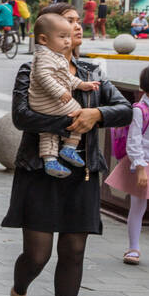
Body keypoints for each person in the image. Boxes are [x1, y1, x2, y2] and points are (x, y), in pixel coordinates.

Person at [3, 3, 132, 296]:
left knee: (74, 251)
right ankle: (19, 290)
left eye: (78, 22)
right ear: (52, 33)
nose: (77, 27)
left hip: (83, 171)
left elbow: (124, 109)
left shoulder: (92, 71)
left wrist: (97, 113)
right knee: (37, 254)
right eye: (69, 22)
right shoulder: (32, 68)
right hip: (40, 171)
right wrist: (72, 121)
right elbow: (21, 116)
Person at [28, 13, 101, 178]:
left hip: (44, 104)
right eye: (62, 36)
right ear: (44, 39)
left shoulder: (55, 56)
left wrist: (82, 84)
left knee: (48, 132)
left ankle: (50, 160)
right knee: (78, 112)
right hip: (46, 100)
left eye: (68, 37)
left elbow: (66, 77)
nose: (67, 41)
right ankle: (69, 147)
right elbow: (43, 76)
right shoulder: (45, 57)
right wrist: (60, 91)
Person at [105, 64, 149, 265]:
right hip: (143, 163)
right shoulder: (140, 111)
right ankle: (133, 248)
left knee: (138, 206)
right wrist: (140, 168)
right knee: (137, 206)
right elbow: (134, 142)